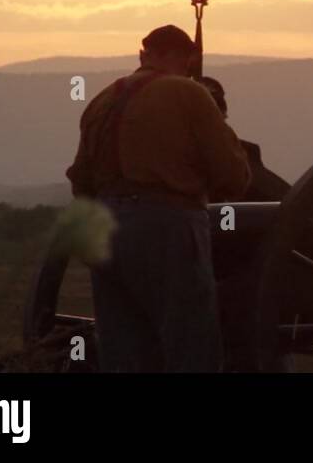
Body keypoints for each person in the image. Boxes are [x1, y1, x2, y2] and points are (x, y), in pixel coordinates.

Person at [66, 24, 251, 372]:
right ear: (188, 60)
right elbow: (232, 174)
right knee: (190, 344)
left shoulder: (101, 100)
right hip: (166, 224)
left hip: (104, 229)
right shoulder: (188, 93)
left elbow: (81, 179)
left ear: (143, 55)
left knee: (123, 349)